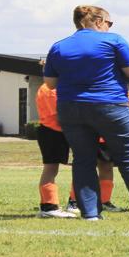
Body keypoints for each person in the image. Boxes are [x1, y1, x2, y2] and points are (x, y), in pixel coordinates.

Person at [42, 4, 129, 220]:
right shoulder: (113, 40)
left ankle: (90, 213)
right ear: (98, 21)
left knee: (83, 160)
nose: (110, 27)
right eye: (109, 22)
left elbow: (50, 83)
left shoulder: (59, 46)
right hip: (111, 105)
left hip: (71, 107)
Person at [32, 61, 78, 218]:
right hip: (53, 131)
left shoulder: (53, 87)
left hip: (57, 131)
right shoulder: (50, 90)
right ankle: (48, 206)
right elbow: (61, 117)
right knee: (51, 168)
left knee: (59, 168)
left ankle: (71, 202)